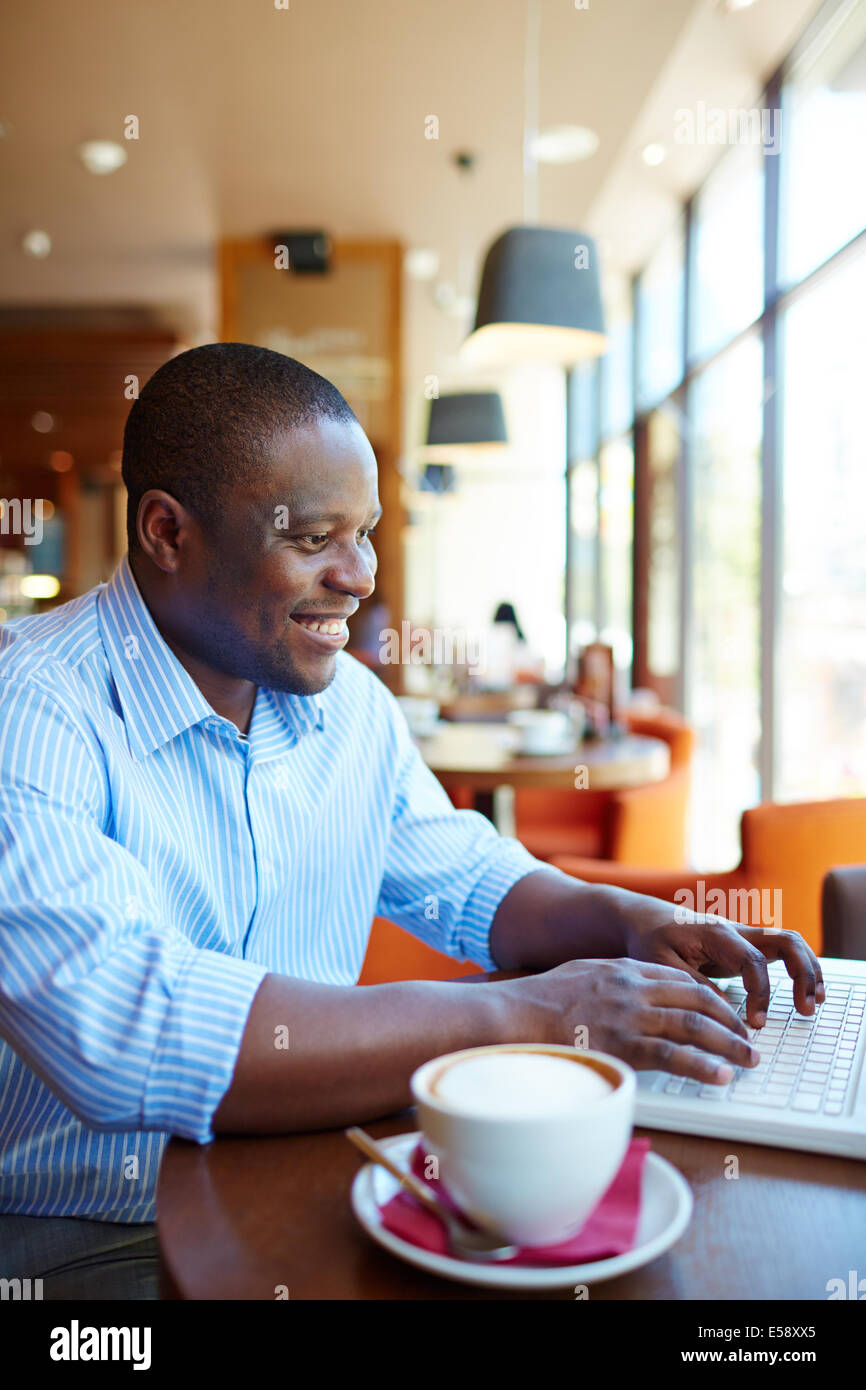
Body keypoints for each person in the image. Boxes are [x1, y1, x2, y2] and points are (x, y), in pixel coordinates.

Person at [0, 344, 823, 1298]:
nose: (359, 576)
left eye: (368, 532)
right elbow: (124, 1026)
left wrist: (626, 921)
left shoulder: (347, 705)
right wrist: (532, 1012)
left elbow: (468, 878)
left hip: (312, 1159)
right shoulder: (32, 705)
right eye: (313, 538)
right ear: (167, 532)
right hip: (84, 1232)